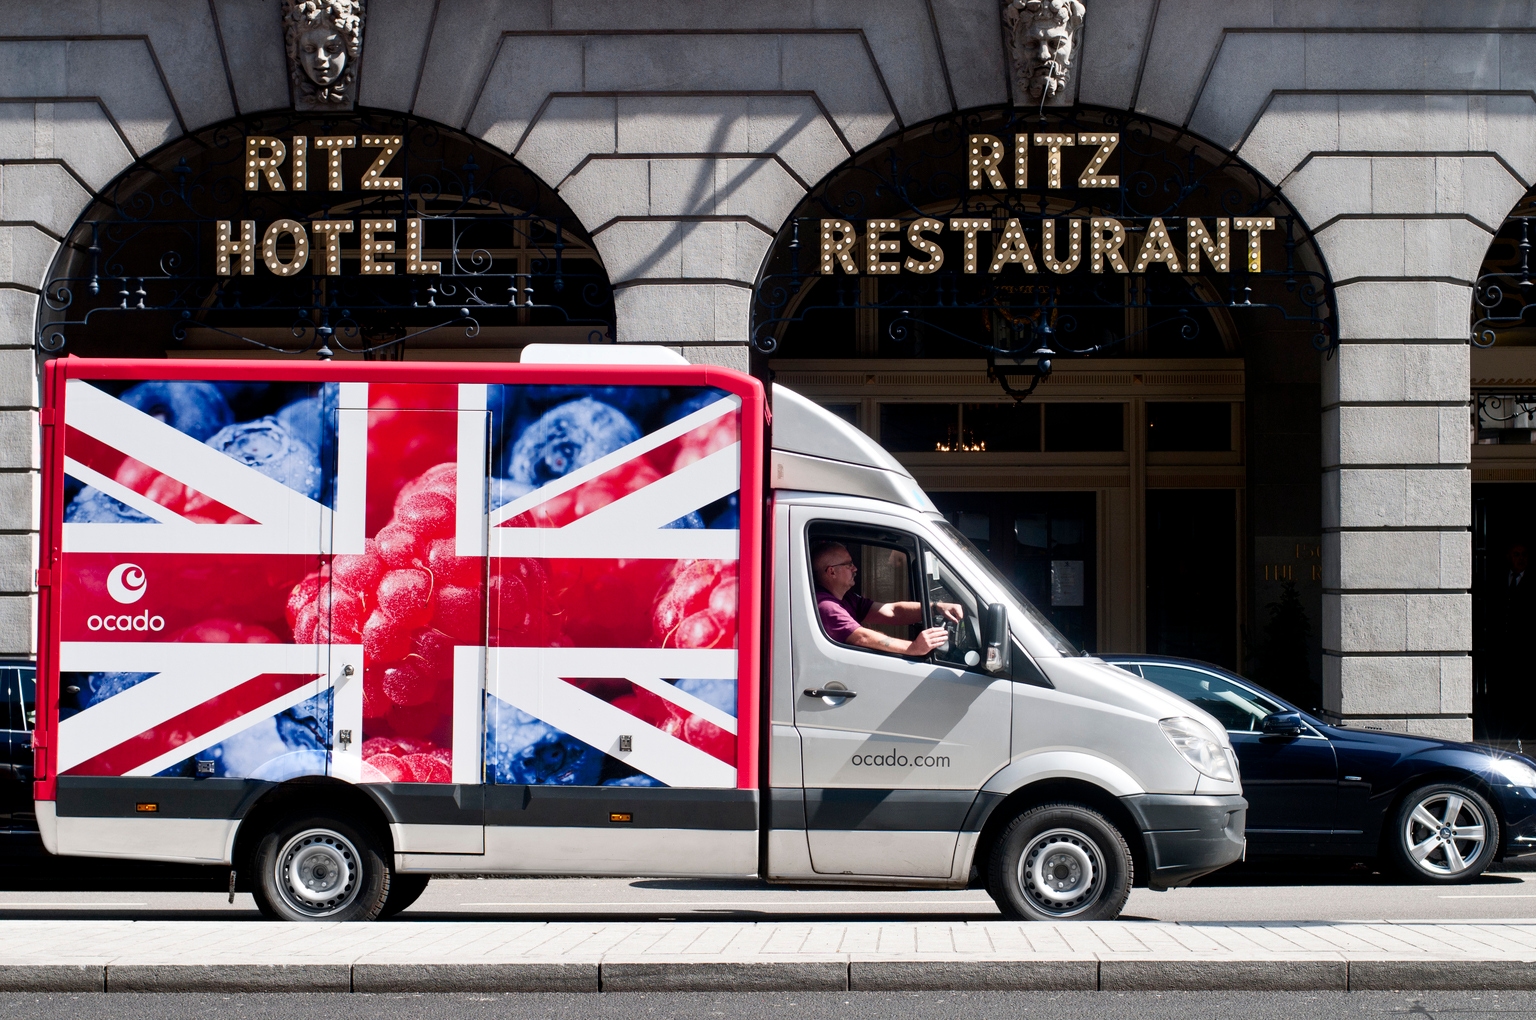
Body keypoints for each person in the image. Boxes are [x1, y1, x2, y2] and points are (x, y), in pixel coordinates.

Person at [811, 541, 960, 657]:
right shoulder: (826, 606)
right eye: (848, 564)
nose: (854, 568)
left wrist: (936, 607)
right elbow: (861, 637)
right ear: (832, 572)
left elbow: (892, 611)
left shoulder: (846, 598)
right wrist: (913, 648)